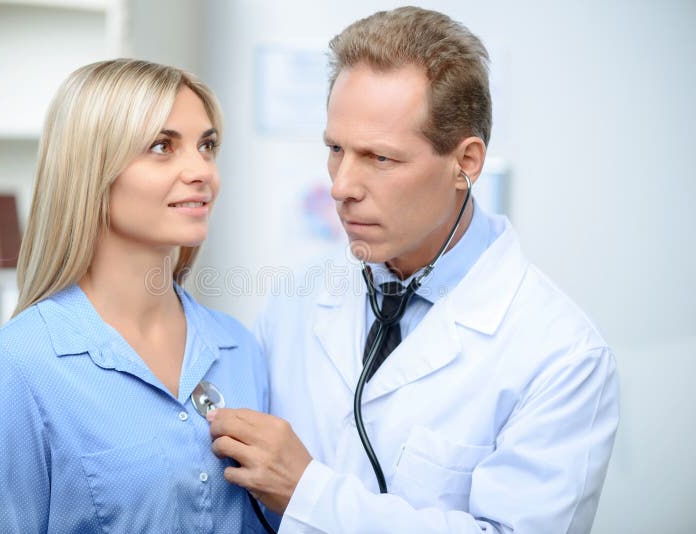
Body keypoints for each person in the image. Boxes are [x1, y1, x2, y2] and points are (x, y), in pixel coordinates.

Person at [207, 7, 619, 533]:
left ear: (465, 163)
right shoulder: (300, 296)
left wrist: (308, 494)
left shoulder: (561, 356)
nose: (341, 186)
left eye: (381, 158)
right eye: (335, 149)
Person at [0, 59, 268, 533]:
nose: (202, 171)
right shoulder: (16, 368)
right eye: (162, 146)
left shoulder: (240, 349)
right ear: (92, 169)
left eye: (206, 146)